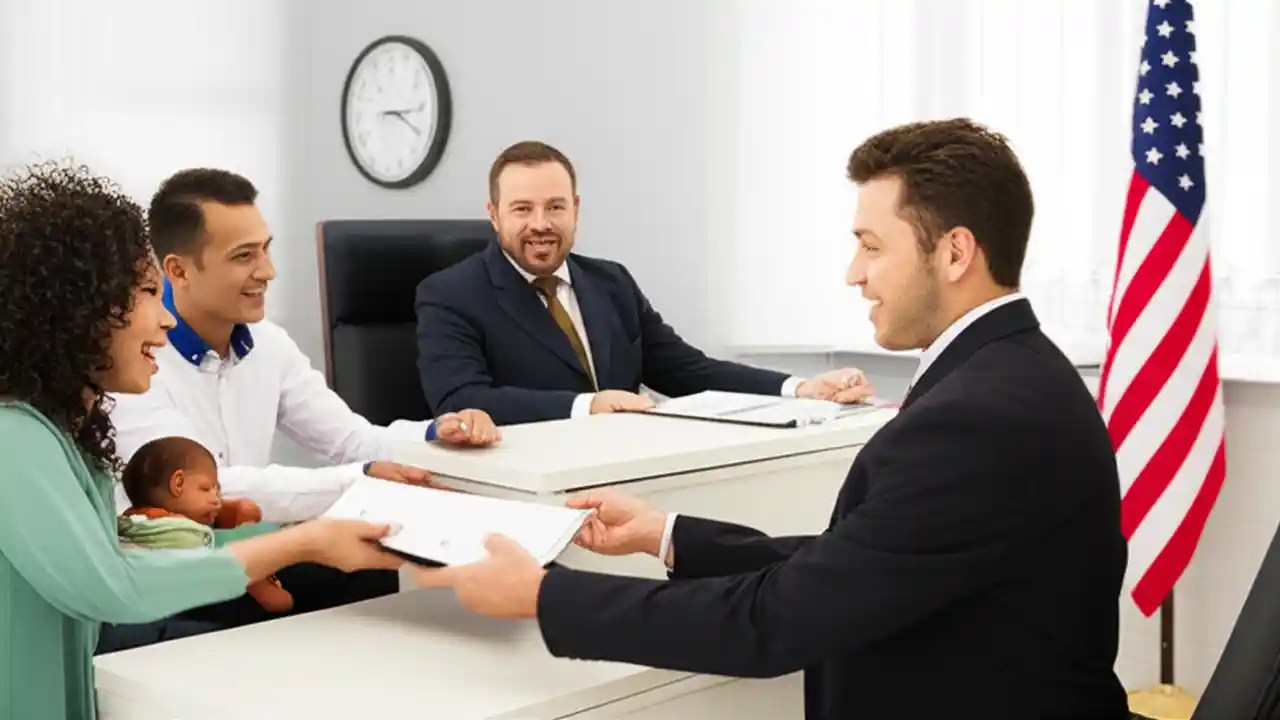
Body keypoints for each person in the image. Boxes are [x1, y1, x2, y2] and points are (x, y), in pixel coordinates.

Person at [416, 119, 1131, 718]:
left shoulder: (979, 416)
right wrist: (667, 534)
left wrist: (547, 596)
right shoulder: (1005, 376)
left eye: (871, 246)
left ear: (954, 252)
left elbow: (778, 620)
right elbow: (858, 567)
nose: (854, 272)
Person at [0, 161, 404, 720]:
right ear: (77, 311)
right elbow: (113, 587)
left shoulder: (63, 436)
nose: (162, 318)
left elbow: (140, 543)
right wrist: (300, 543)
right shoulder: (15, 437)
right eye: (144, 293)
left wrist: (299, 536)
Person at [100, 168, 499, 652]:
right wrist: (361, 478)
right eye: (244, 256)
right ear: (178, 271)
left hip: (250, 556)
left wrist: (437, 434)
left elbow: (350, 441)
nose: (267, 271)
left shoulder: (268, 344)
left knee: (382, 579)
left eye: (265, 249)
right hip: (168, 577)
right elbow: (209, 491)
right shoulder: (133, 359)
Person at [414, 140, 873, 426]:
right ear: (493, 215)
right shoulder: (450, 294)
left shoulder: (610, 281)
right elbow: (461, 398)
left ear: (576, 208)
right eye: (522, 209)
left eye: (555, 207)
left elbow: (685, 370)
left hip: (624, 479)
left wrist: (799, 388)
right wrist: (586, 406)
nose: (541, 223)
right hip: (521, 491)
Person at [117, 436, 294, 613]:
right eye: (206, 488)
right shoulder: (182, 536)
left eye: (218, 491)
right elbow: (273, 599)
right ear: (178, 484)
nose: (216, 500)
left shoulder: (131, 527)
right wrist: (262, 586)